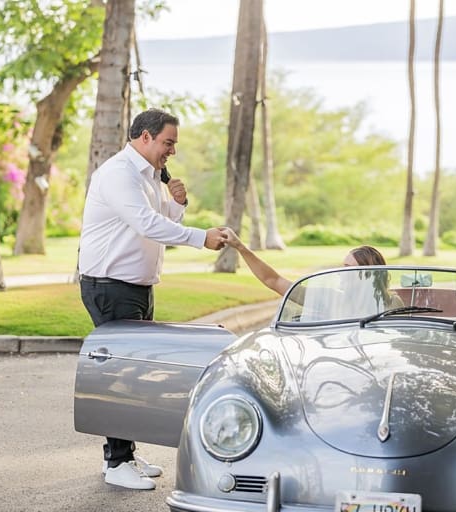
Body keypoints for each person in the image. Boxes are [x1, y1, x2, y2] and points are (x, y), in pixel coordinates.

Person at [78, 108, 228, 491]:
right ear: (145, 137)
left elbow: (160, 223)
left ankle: (125, 454)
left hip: (135, 286)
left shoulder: (147, 176)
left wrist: (177, 204)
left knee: (135, 370)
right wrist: (201, 237)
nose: (172, 151)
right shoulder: (118, 174)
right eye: (168, 142)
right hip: (111, 285)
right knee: (121, 372)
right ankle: (116, 462)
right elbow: (145, 223)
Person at [220, 228, 403, 309]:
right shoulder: (330, 298)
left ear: (367, 276)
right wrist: (240, 247)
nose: (340, 275)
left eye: (347, 269)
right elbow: (274, 281)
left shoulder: (393, 304)